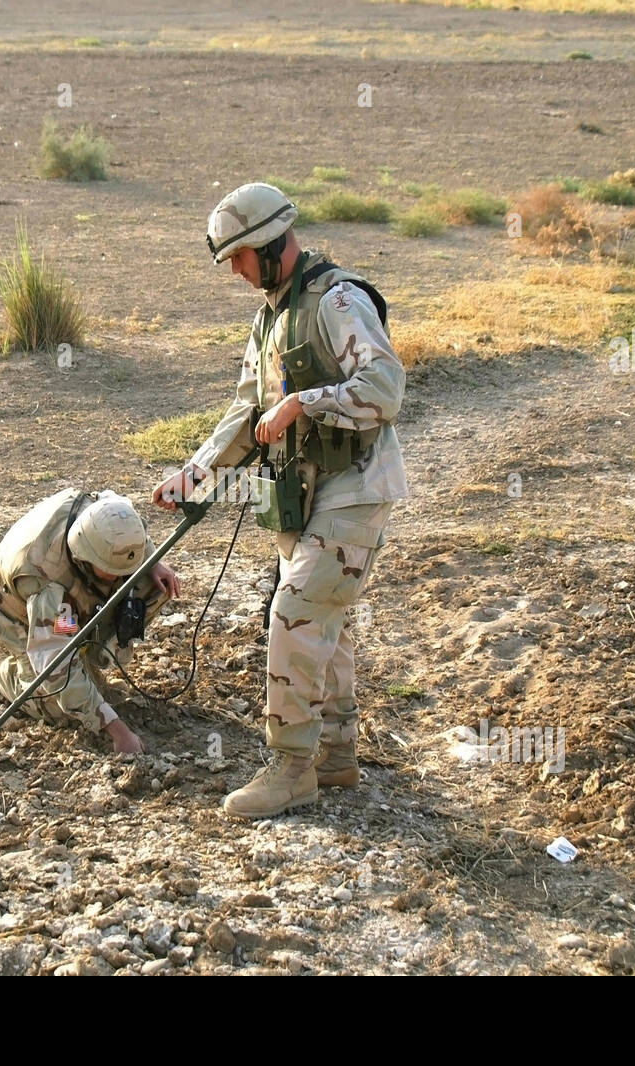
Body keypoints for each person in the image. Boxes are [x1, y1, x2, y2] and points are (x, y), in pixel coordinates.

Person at [152, 182, 407, 819]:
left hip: (354, 485)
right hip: (304, 488)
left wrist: (305, 403)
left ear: (269, 244)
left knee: (294, 610)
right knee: (325, 616)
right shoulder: (272, 315)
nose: (234, 271)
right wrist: (197, 472)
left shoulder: (338, 299)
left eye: (239, 257)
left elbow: (385, 387)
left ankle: (292, 766)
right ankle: (336, 753)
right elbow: (248, 407)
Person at [0, 488, 180, 754]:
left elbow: (127, 528)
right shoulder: (48, 587)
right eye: (112, 571)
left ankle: (84, 656)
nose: (122, 576)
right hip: (14, 615)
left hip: (66, 595)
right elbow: (56, 670)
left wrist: (151, 562)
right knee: (59, 707)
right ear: (86, 557)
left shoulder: (102, 519)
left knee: (151, 586)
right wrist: (117, 730)